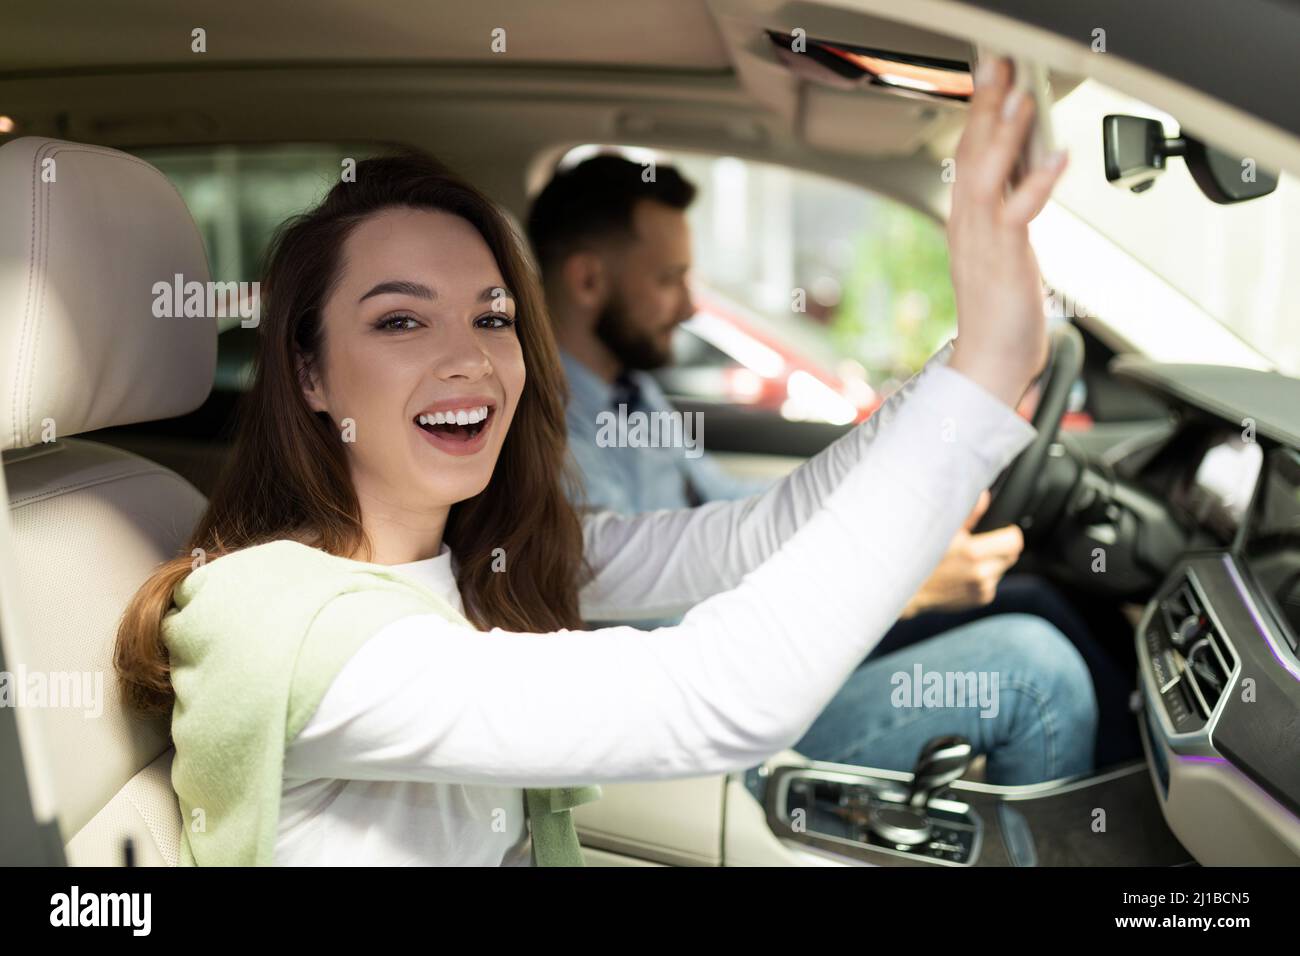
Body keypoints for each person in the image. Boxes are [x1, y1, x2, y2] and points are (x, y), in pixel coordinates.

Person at [116, 58, 1092, 866]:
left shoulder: (477, 557)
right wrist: (987, 370)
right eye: (401, 318)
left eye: (492, 316)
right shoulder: (285, 624)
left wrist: (973, 359)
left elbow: (753, 536)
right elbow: (716, 697)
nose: (470, 357)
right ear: (310, 371)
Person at [528, 158, 1139, 779]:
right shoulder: (549, 438)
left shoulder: (629, 391)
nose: (690, 305)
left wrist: (911, 510)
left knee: (1035, 598)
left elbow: (737, 512)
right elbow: (643, 622)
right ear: (586, 281)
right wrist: (897, 587)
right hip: (719, 720)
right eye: (669, 279)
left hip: (766, 654)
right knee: (1035, 670)